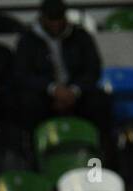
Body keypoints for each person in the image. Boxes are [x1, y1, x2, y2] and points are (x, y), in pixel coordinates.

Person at [12, 0, 109, 135]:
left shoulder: (81, 36)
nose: (55, 24)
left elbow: (93, 69)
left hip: (77, 90)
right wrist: (52, 89)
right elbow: (22, 74)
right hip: (43, 92)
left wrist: (74, 90)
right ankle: (32, 150)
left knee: (100, 101)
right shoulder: (28, 40)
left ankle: (101, 148)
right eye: (51, 19)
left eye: (59, 19)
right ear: (42, 18)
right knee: (28, 104)